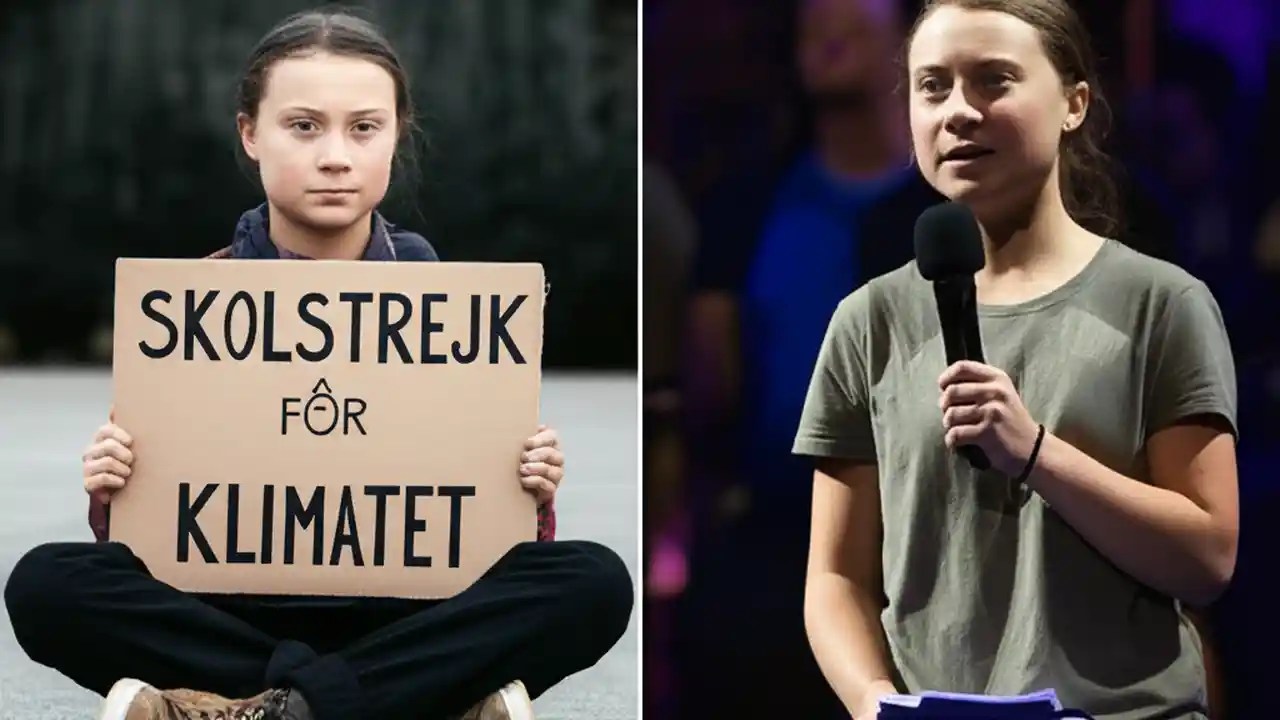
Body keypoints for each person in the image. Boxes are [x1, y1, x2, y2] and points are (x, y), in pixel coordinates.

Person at [2, 10, 633, 720]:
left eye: (364, 128)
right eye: (303, 126)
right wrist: (112, 482)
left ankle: (255, 709)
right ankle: (401, 702)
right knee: (46, 584)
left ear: (397, 134)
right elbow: (150, 536)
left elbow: (490, 535)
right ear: (250, 133)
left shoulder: (460, 313)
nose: (336, 156)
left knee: (594, 581)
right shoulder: (188, 307)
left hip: (406, 614)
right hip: (235, 614)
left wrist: (531, 486)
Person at [794, 1, 1239, 719]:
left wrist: (1035, 453)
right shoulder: (867, 321)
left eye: (994, 81)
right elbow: (836, 577)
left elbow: (1209, 557)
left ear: (1072, 103)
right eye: (932, 86)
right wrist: (874, 702)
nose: (959, 111)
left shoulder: (1161, 303)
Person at [678, 0, 940, 716]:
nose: (830, 31)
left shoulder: (957, 212)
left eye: (856, 20)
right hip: (768, 539)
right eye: (814, 24)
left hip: (923, 549)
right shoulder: (747, 202)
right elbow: (710, 391)